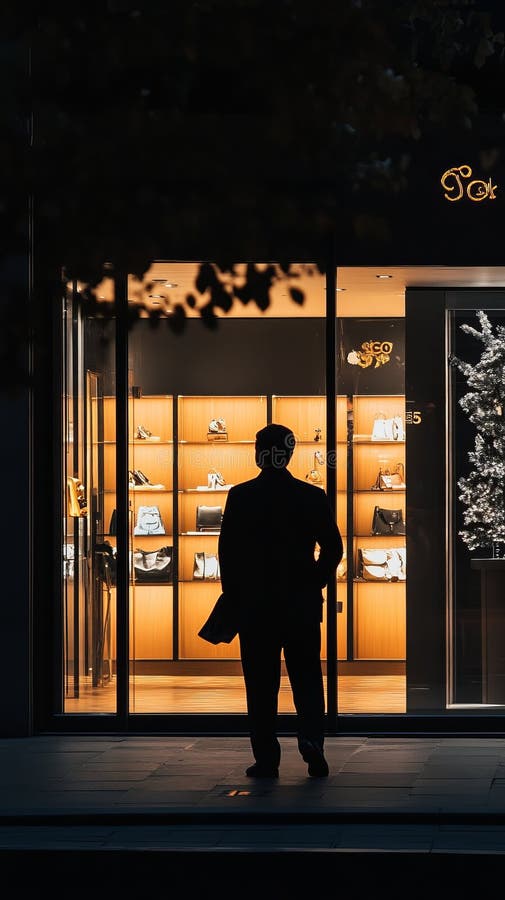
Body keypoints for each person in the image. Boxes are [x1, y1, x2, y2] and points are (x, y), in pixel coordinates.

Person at [218, 422, 343, 778]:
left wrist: (235, 596)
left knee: (260, 684)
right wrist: (314, 581)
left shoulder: (241, 496)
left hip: (256, 605)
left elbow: (228, 553)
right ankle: (312, 743)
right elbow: (333, 548)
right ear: (288, 454)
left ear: (259, 454)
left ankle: (266, 757)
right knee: (306, 678)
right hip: (300, 604)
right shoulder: (311, 496)